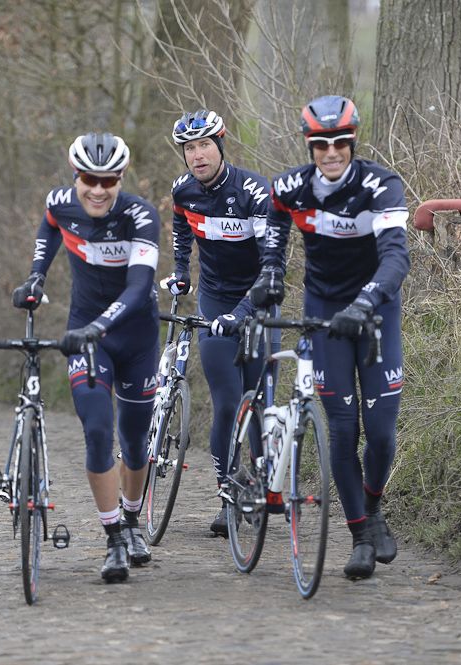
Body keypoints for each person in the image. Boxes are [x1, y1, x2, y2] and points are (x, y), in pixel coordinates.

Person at [249, 95, 410, 580]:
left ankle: (374, 506)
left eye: (341, 142)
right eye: (321, 144)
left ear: (353, 142)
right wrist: (272, 269)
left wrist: (365, 303)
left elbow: (396, 258)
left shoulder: (381, 184)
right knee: (343, 429)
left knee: (380, 432)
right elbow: (275, 216)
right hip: (323, 314)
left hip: (374, 312)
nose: (332, 152)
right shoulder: (292, 187)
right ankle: (360, 534)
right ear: (310, 146)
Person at [12, 132, 160, 583]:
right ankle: (114, 535)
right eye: (89, 179)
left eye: (108, 180)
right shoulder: (61, 203)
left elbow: (138, 288)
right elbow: (48, 227)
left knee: (134, 443)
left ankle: (133, 522)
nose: (97, 189)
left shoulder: (141, 215)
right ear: (76, 176)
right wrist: (37, 276)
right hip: (86, 335)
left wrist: (101, 324)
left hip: (134, 336)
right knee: (97, 431)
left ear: (121, 178)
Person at [165, 108, 274, 536]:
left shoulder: (254, 191)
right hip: (214, 299)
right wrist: (180, 270)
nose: (197, 155)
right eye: (189, 148)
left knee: (260, 400)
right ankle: (228, 493)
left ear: (221, 146)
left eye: (204, 145)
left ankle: (264, 485)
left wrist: (243, 313)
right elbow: (180, 228)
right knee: (227, 402)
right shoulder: (183, 191)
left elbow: (271, 266)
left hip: (259, 299)